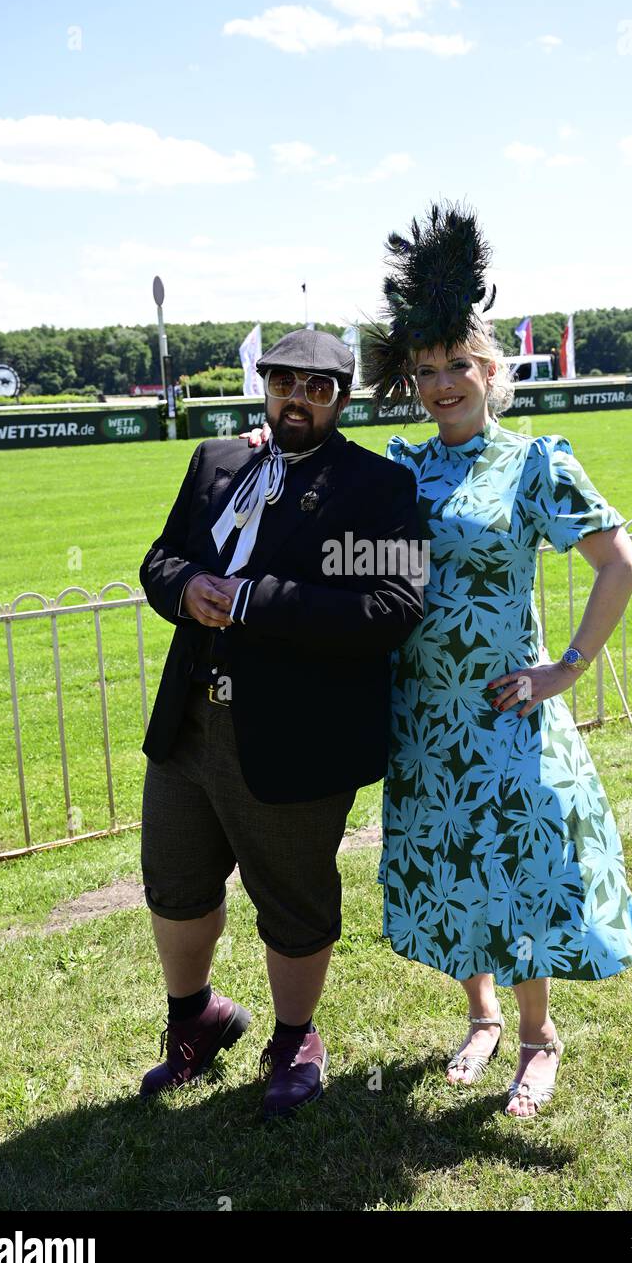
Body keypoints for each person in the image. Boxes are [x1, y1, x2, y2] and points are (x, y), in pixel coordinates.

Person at [362, 203, 632, 1120]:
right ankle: (481, 1014)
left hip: (505, 707)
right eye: (427, 371)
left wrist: (564, 668)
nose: (443, 384)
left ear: (491, 373)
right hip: (425, 715)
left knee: (523, 871)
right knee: (453, 868)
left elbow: (620, 564)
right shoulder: (402, 469)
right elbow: (326, 503)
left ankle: (538, 1038)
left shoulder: (535, 465)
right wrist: (265, 446)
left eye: (458, 366)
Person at [137, 328, 425, 1119]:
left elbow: (391, 608)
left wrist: (251, 602)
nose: (297, 397)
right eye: (283, 381)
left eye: (318, 386)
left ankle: (296, 1038)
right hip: (189, 723)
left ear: (343, 396)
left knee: (294, 903)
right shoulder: (217, 463)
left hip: (297, 737)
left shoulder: (375, 487)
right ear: (263, 384)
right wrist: (187, 583)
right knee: (173, 886)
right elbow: (159, 559)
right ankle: (195, 1020)